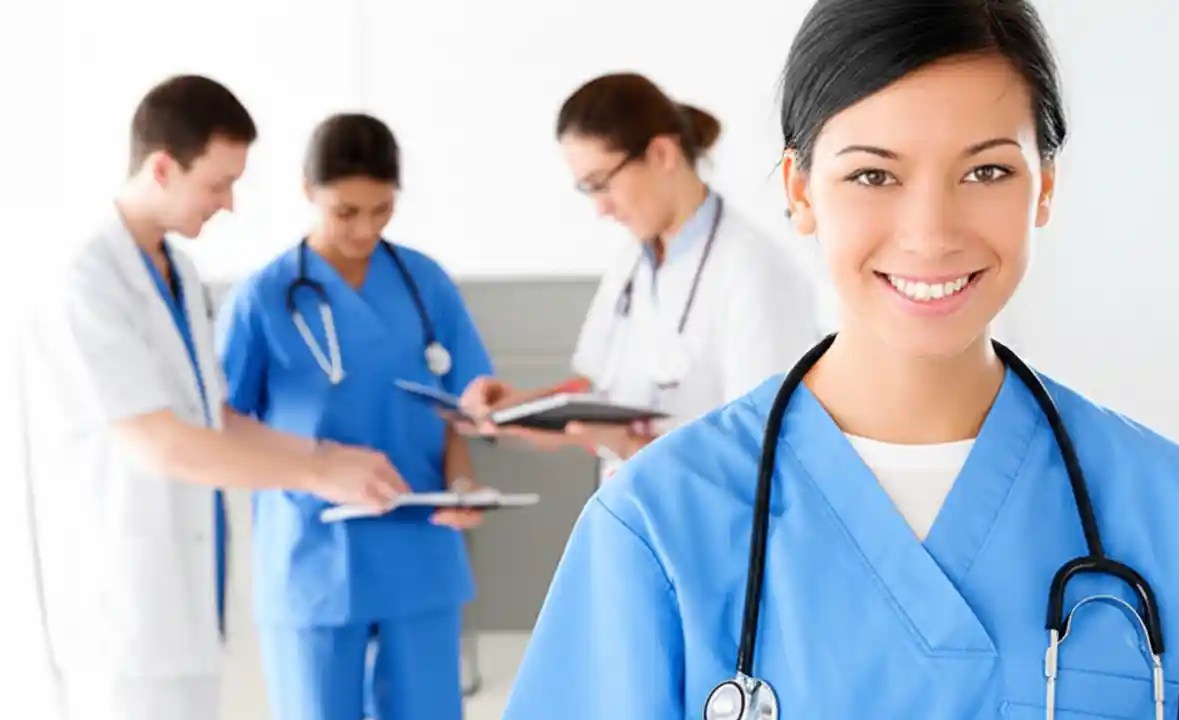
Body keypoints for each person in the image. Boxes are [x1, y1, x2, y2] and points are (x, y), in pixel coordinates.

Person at [502, 1, 1179, 718]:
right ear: (800, 191)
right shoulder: (655, 528)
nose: (930, 232)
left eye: (986, 171)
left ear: (1044, 186)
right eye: (873, 174)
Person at [18, 76, 408, 720]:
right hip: (119, 608)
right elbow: (161, 443)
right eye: (218, 184)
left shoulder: (180, 273)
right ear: (162, 168)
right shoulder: (85, 280)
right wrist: (316, 472)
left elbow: (214, 420)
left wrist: (330, 457)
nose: (228, 204)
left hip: (186, 603)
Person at [216, 112, 494, 720]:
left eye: (381, 210)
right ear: (307, 191)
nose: (365, 228)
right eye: (346, 212)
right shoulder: (263, 298)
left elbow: (460, 407)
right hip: (312, 552)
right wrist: (310, 468)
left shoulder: (424, 283)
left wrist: (462, 483)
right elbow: (225, 428)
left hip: (419, 548)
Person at [463, 73, 820, 466]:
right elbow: (596, 389)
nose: (601, 208)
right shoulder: (631, 263)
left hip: (702, 505)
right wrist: (520, 408)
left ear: (662, 154)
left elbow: (763, 446)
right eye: (588, 189)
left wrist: (628, 446)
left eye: (601, 183)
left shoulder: (756, 271)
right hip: (629, 498)